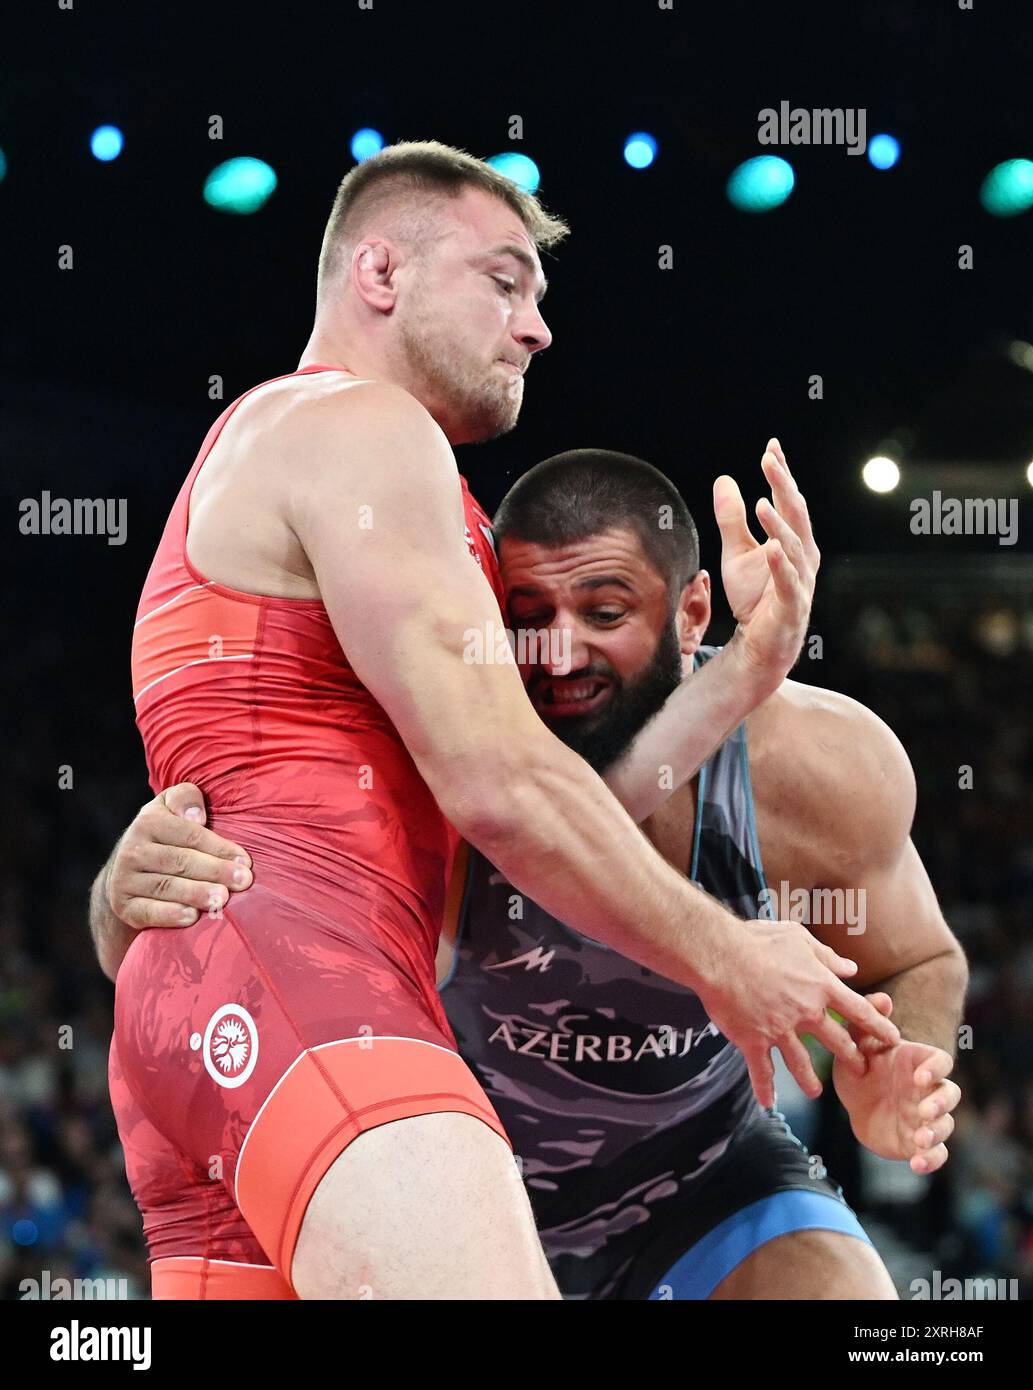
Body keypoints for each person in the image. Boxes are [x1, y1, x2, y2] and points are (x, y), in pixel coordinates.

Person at [97, 138, 897, 1300]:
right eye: (505, 280)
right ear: (380, 274)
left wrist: (742, 674)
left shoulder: (323, 474)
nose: (537, 328)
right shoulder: (362, 429)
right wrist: (723, 952)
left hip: (219, 1017)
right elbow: (502, 785)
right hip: (310, 989)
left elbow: (521, 801)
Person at [98, 450, 966, 1300]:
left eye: (605, 611)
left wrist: (904, 1063)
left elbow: (919, 958)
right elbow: (189, 949)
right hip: (449, 1188)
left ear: (692, 613)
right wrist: (122, 892)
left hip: (705, 1186)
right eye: (528, 613)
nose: (558, 651)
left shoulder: (811, 767)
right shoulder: (420, 762)